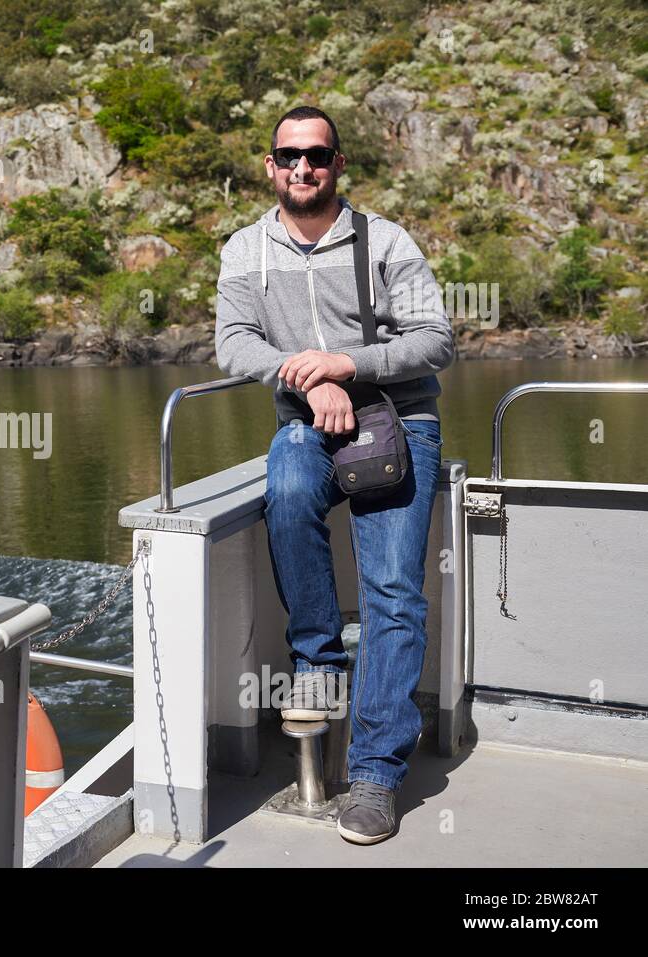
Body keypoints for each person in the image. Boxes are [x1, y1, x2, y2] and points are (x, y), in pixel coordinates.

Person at [213, 105, 455, 845]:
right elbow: (232, 344)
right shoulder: (245, 251)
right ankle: (317, 659)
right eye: (288, 156)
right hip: (306, 421)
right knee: (286, 490)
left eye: (316, 155)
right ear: (269, 166)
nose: (302, 168)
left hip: (398, 419)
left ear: (338, 164)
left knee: (392, 589)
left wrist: (349, 364)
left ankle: (377, 773)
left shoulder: (385, 241)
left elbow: (436, 339)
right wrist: (307, 379)